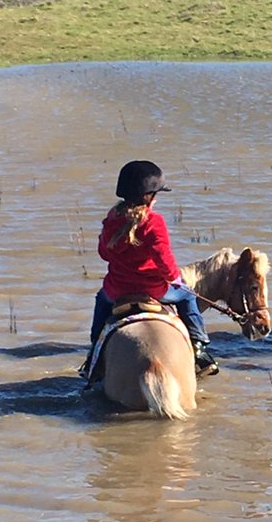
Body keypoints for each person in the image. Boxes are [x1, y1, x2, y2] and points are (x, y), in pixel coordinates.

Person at [80, 160, 218, 378]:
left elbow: (104, 254)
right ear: (150, 196)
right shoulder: (154, 221)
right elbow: (164, 259)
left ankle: (93, 357)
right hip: (154, 289)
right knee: (187, 298)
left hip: (118, 289)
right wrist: (175, 279)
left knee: (101, 301)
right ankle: (200, 349)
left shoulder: (113, 218)